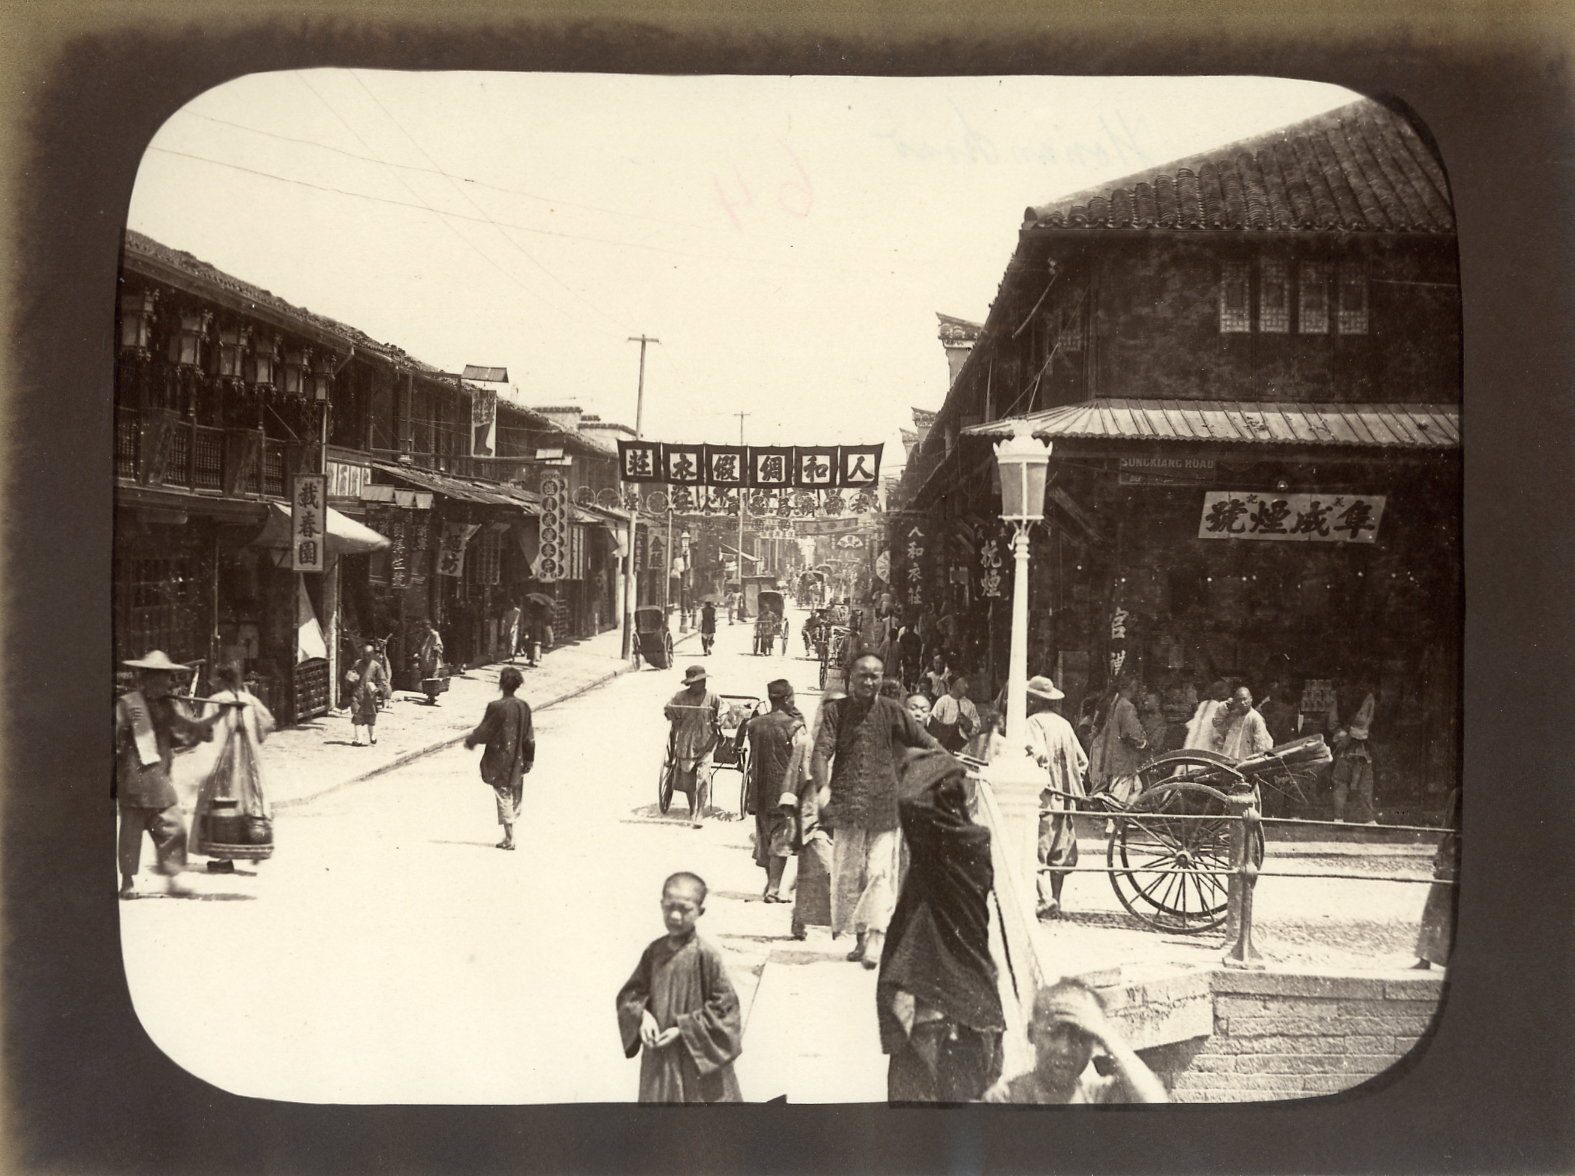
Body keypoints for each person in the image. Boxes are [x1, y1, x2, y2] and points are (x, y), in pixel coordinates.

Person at [878, 749, 1004, 1103]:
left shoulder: (936, 849)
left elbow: (907, 800)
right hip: (977, 1004)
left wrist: (926, 766)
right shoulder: (976, 842)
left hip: (931, 1009)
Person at [812, 652, 940, 970]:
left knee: (878, 873)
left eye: (876, 675)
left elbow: (925, 740)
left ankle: (877, 938)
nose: (869, 681)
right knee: (848, 873)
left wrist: (953, 761)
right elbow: (822, 750)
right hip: (847, 804)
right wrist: (822, 786)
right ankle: (859, 939)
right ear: (850, 678)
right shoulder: (835, 712)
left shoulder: (893, 710)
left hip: (884, 805)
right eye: (863, 675)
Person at [615, 872, 743, 1103]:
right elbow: (631, 994)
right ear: (661, 905)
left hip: (698, 1061)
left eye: (684, 909)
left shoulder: (706, 955)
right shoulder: (654, 952)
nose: (675, 916)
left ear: (700, 912)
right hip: (660, 1059)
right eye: (669, 907)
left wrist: (683, 1029)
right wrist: (642, 1016)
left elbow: (726, 1010)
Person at [113, 651, 226, 898]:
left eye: (168, 679)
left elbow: (181, 735)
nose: (167, 684)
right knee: (131, 833)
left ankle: (173, 879)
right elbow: (115, 737)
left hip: (160, 778)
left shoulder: (169, 706)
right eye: (162, 679)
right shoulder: (128, 704)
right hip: (134, 777)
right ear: (147, 678)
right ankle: (128, 882)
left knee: (173, 828)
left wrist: (208, 724)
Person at [980, 978, 1167, 1104]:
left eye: (1081, 1038)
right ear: (1032, 1034)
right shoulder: (1007, 1098)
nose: (1064, 1050)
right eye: (1053, 1034)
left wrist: (1108, 1036)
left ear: (1095, 1044)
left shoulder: (1098, 1097)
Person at [192, 664, 276, 874]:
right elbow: (268, 723)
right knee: (249, 801)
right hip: (248, 762)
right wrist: (254, 739)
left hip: (223, 761)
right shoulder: (250, 700)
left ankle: (223, 858)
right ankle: (252, 846)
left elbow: (205, 730)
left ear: (221, 680)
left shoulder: (215, 701)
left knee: (223, 804)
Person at [1021, 675, 1089, 919]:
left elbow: (1038, 755)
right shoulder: (1064, 724)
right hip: (1066, 797)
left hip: (1044, 796)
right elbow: (1082, 761)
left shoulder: (1032, 723)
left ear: (1033, 700)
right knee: (1060, 851)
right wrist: (1069, 781)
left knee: (1037, 848)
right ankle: (1056, 902)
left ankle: (1044, 899)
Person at [743, 680, 808, 903]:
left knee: (766, 837)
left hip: (759, 790)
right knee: (781, 837)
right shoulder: (795, 727)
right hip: (784, 790)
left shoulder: (754, 724)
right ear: (788, 698)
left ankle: (772, 884)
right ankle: (773, 888)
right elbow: (802, 759)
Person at [464, 666, 535, 851]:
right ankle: (509, 832)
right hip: (518, 758)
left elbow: (485, 731)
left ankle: (510, 838)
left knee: (503, 795)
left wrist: (471, 741)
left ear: (501, 684)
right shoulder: (524, 707)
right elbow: (529, 738)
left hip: (499, 759)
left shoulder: (496, 707)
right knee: (514, 795)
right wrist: (529, 760)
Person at [664, 665, 722, 828]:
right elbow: (669, 709)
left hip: (707, 743)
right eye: (698, 681)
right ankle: (692, 808)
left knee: (702, 778)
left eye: (703, 681)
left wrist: (720, 720)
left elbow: (724, 710)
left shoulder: (712, 697)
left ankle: (700, 813)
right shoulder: (679, 698)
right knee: (688, 778)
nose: (702, 684)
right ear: (690, 683)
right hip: (686, 744)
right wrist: (671, 714)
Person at [1414, 789, 1460, 969]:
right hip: (1452, 855)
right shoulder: (1458, 794)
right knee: (1435, 906)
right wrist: (1440, 852)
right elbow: (1447, 825)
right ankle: (1425, 957)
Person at [1329, 673, 1379, 823]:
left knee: (1341, 783)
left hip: (1345, 746)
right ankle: (1368, 819)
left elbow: (1332, 723)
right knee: (1364, 785)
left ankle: (1339, 818)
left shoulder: (1338, 695)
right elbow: (1364, 722)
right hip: (1360, 747)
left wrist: (1342, 734)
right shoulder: (1368, 697)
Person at [1093, 678, 1148, 805]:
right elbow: (1132, 732)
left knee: (1135, 789)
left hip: (1117, 758)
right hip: (1122, 760)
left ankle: (1126, 821)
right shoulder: (1126, 706)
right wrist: (1143, 742)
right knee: (1119, 795)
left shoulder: (1117, 703)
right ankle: (1114, 822)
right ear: (1131, 688)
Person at [1206, 685, 1274, 761]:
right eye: (1239, 700)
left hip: (1244, 762)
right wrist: (1225, 707)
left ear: (1251, 699)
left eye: (1245, 699)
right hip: (1228, 760)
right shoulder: (1233, 715)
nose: (1242, 702)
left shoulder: (1255, 718)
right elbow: (1217, 724)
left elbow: (1263, 745)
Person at [345, 641, 389, 746]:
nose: (366, 657)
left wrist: (378, 689)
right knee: (357, 716)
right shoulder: (357, 664)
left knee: (370, 717)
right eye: (364, 655)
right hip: (357, 693)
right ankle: (358, 739)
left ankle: (372, 736)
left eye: (369, 655)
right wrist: (350, 679)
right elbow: (352, 675)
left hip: (370, 696)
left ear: (373, 655)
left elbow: (382, 681)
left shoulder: (376, 666)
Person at [927, 675, 980, 754]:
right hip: (944, 747)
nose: (967, 686)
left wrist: (969, 724)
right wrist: (947, 729)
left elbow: (977, 726)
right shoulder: (943, 701)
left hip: (963, 749)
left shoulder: (970, 705)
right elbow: (931, 723)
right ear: (955, 684)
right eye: (964, 682)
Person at [416, 620, 446, 706]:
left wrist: (436, 649)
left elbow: (440, 646)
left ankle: (432, 698)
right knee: (426, 680)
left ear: (430, 627)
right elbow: (419, 646)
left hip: (433, 661)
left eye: (427, 628)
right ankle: (430, 696)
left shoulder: (435, 635)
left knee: (432, 679)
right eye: (424, 628)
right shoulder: (422, 635)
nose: (425, 630)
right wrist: (417, 653)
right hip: (424, 660)